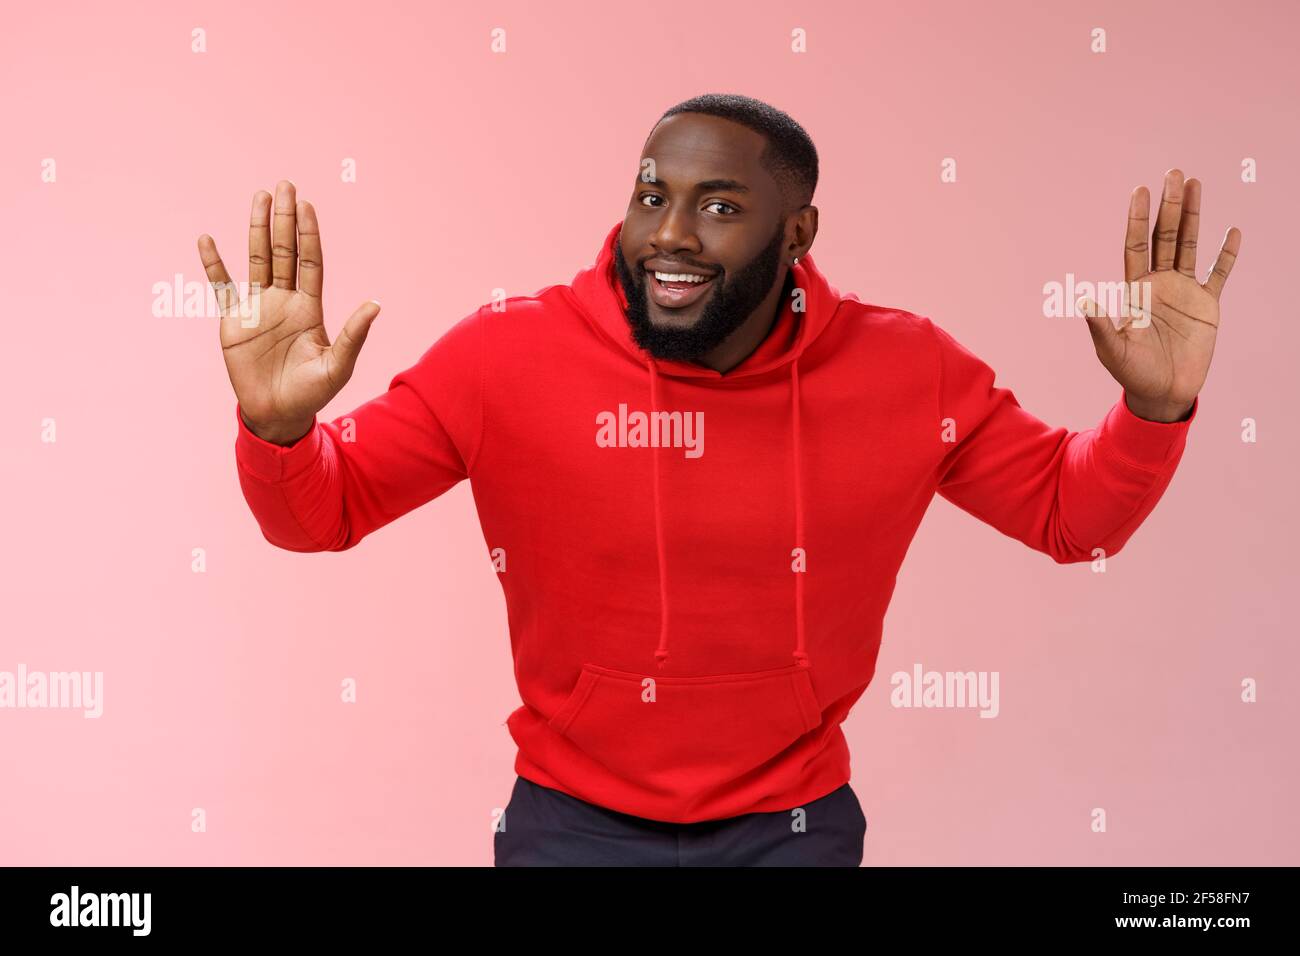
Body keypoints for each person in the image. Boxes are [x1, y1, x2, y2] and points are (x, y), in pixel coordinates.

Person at [196, 93, 1241, 866]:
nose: (670, 234)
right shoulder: (503, 355)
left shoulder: (906, 366)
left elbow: (1069, 515)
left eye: (718, 205)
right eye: (652, 195)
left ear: (797, 234)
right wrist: (275, 427)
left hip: (792, 828)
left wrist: (1152, 413)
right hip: (567, 824)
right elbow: (322, 512)